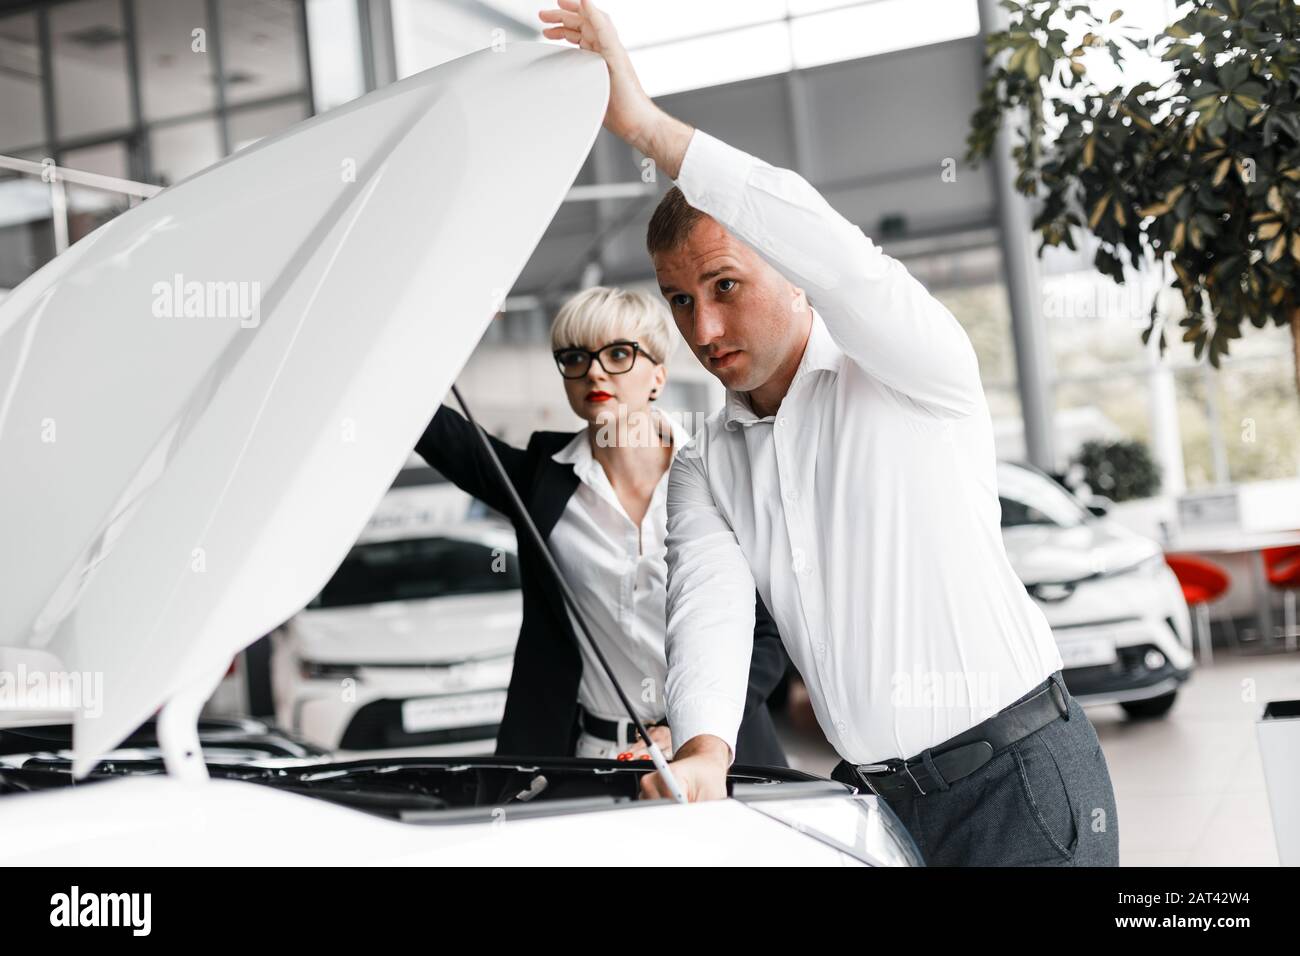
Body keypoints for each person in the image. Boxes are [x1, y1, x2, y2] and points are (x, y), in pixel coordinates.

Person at [541, 0, 1119, 865]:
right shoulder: (709, 465)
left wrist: (651, 130)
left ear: (797, 275)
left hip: (1018, 787)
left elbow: (847, 260)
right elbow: (708, 612)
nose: (701, 327)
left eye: (725, 285)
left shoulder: (911, 371)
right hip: (877, 807)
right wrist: (704, 748)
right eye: (680, 301)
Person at [414, 285, 788, 764]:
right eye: (575, 356)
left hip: (720, 752)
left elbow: (769, 636)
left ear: (658, 375)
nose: (593, 370)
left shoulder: (723, 473)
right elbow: (430, 427)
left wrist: (693, 729)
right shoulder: (538, 479)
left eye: (617, 354)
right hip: (593, 759)